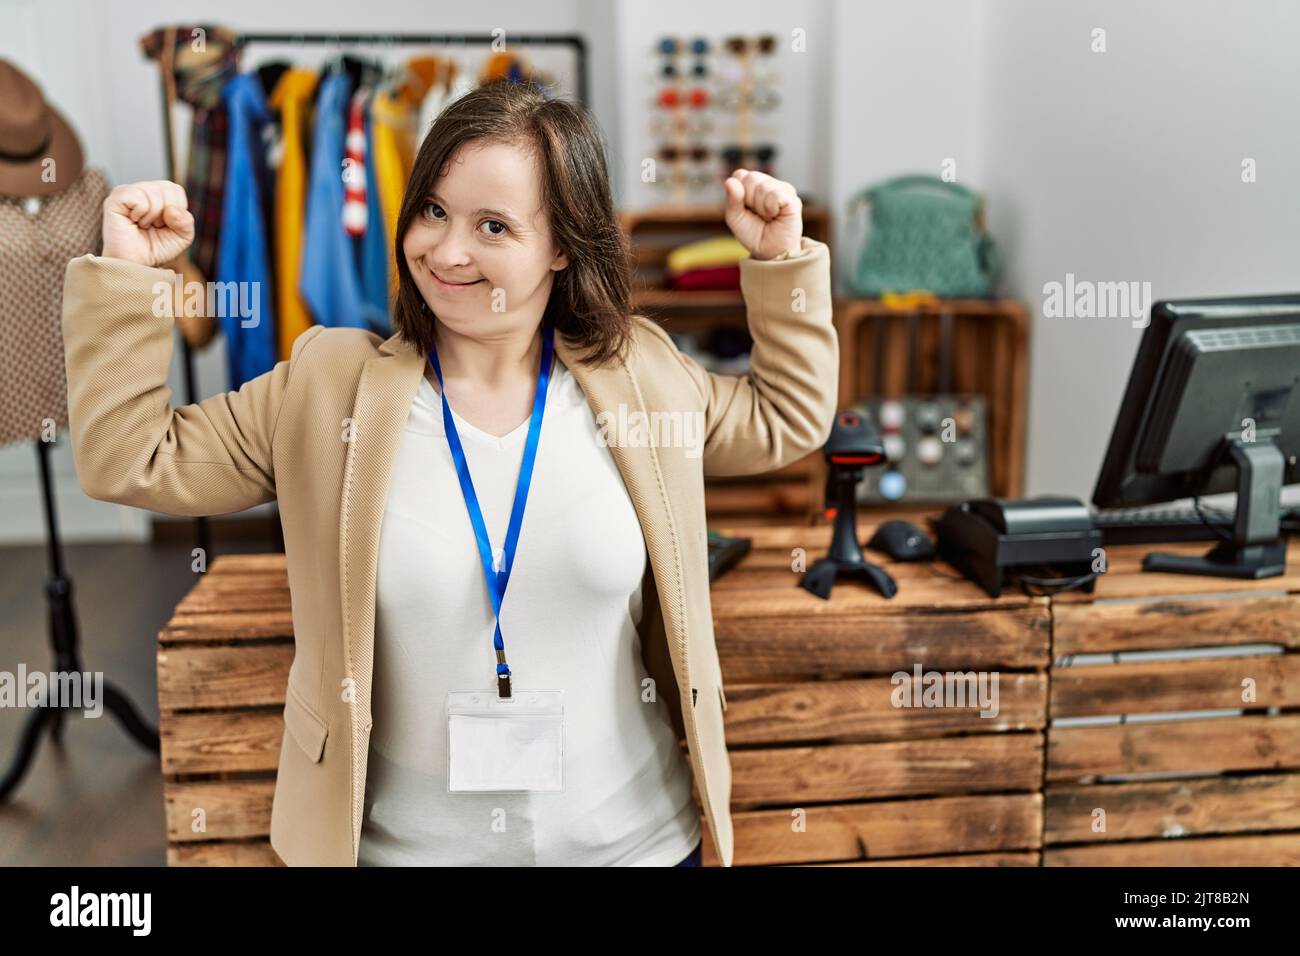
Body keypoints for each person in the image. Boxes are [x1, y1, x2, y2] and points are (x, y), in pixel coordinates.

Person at [62, 80, 838, 866]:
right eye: (432, 209)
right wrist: (129, 281)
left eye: (492, 225)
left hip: (635, 843)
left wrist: (781, 262)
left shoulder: (637, 375)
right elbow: (130, 459)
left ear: (565, 245)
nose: (446, 249)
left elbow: (787, 418)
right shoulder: (327, 386)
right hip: (405, 853)